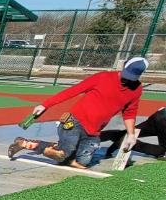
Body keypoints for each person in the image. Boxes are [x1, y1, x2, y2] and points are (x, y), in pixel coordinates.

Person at [8, 57, 147, 169]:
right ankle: (24, 143)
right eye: (127, 74)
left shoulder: (137, 89)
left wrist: (131, 135)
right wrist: (45, 105)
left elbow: (130, 112)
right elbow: (72, 91)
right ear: (124, 66)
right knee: (63, 155)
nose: (127, 80)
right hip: (74, 122)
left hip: (94, 131)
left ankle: (62, 150)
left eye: (132, 77)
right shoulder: (103, 77)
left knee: (83, 162)